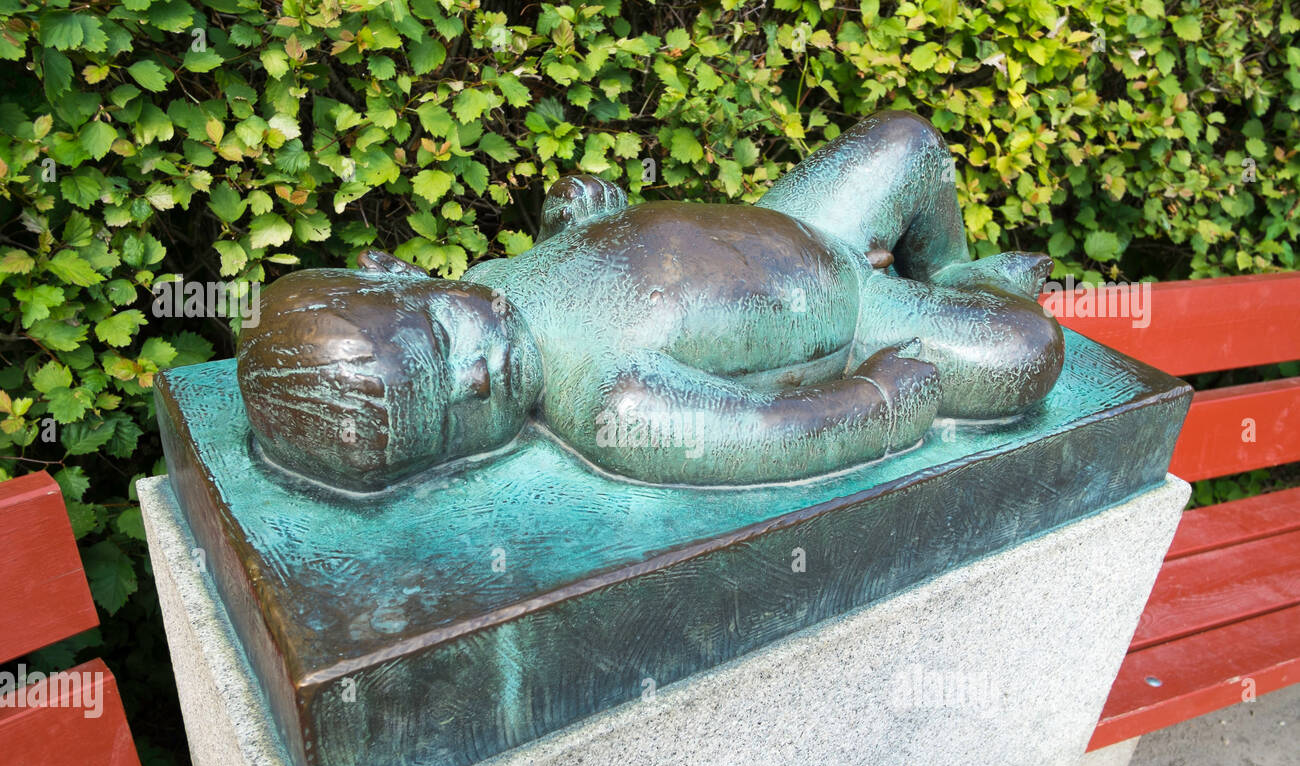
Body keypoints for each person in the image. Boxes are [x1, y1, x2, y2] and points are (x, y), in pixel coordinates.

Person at [238, 111, 1063, 492]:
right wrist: (878, 401)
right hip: (853, 313)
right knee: (1018, 358)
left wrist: (583, 217)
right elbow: (759, 433)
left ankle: (954, 269)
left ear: (399, 274)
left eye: (446, 340)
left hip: (793, 219)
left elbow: (584, 250)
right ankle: (978, 299)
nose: (478, 377)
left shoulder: (500, 276)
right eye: (449, 414)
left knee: (908, 143)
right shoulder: (612, 399)